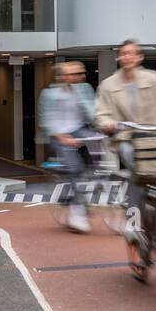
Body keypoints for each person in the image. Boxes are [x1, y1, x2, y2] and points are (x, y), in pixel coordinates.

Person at [94, 39, 156, 236]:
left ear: (140, 57)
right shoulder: (108, 85)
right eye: (124, 53)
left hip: (154, 137)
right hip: (125, 138)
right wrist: (106, 123)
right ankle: (133, 222)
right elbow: (101, 113)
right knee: (140, 169)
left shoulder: (154, 79)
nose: (128, 57)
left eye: (132, 53)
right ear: (119, 57)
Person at [39, 61, 98, 231]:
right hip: (59, 135)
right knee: (76, 168)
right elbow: (48, 121)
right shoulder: (49, 94)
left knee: (100, 153)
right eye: (76, 74)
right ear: (64, 77)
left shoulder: (84, 89)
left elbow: (93, 111)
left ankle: (97, 181)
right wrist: (64, 138)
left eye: (82, 73)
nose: (81, 76)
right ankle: (77, 211)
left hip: (80, 130)